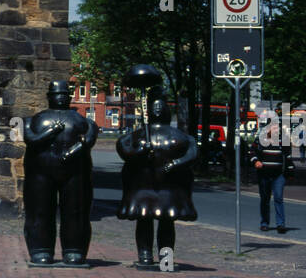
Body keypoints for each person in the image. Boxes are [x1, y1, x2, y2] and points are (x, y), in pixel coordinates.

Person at [116, 86, 197, 266]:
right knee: (144, 220)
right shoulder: (138, 135)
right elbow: (123, 148)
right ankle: (145, 256)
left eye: (161, 107)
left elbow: (192, 153)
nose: (158, 111)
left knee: (167, 222)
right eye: (155, 108)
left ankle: (166, 258)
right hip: (144, 186)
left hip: (169, 188)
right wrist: (139, 152)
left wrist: (176, 163)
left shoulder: (181, 136)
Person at [22, 80, 98, 264]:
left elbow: (88, 140)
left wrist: (72, 152)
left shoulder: (85, 121)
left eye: (64, 94)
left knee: (76, 212)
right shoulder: (33, 120)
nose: (61, 98)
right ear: (49, 97)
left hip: (75, 173)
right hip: (40, 173)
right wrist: (50, 131)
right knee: (39, 211)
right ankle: (41, 249)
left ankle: (74, 249)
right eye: (57, 94)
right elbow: (31, 140)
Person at [252, 134, 293, 234]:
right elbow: (252, 152)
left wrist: (290, 171)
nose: (275, 128)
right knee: (265, 199)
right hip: (264, 175)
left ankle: (280, 224)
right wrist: (256, 161)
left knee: (278, 198)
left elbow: (288, 156)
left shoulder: (283, 139)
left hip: (278, 175)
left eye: (277, 126)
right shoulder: (260, 139)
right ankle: (264, 223)